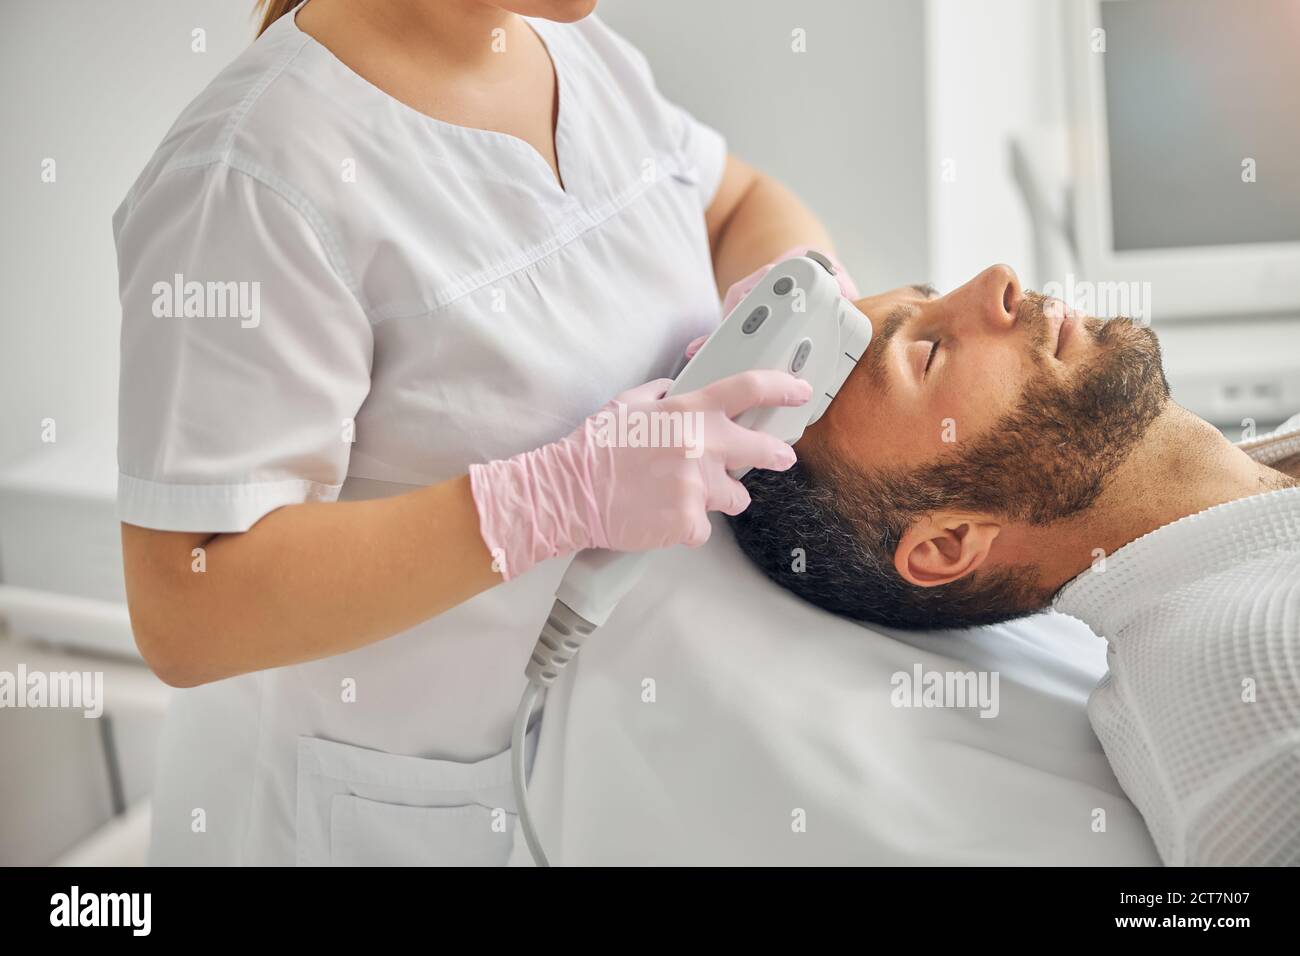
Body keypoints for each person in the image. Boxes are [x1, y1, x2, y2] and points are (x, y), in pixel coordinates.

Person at [115, 0, 853, 865]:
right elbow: (186, 613)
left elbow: (737, 204)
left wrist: (805, 289)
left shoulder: (576, 52)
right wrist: (541, 502)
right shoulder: (249, 171)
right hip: (376, 818)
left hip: (610, 778)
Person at [729, 264, 1300, 865]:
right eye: (928, 353)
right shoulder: (1256, 682)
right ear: (949, 544)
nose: (996, 281)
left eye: (929, 297)